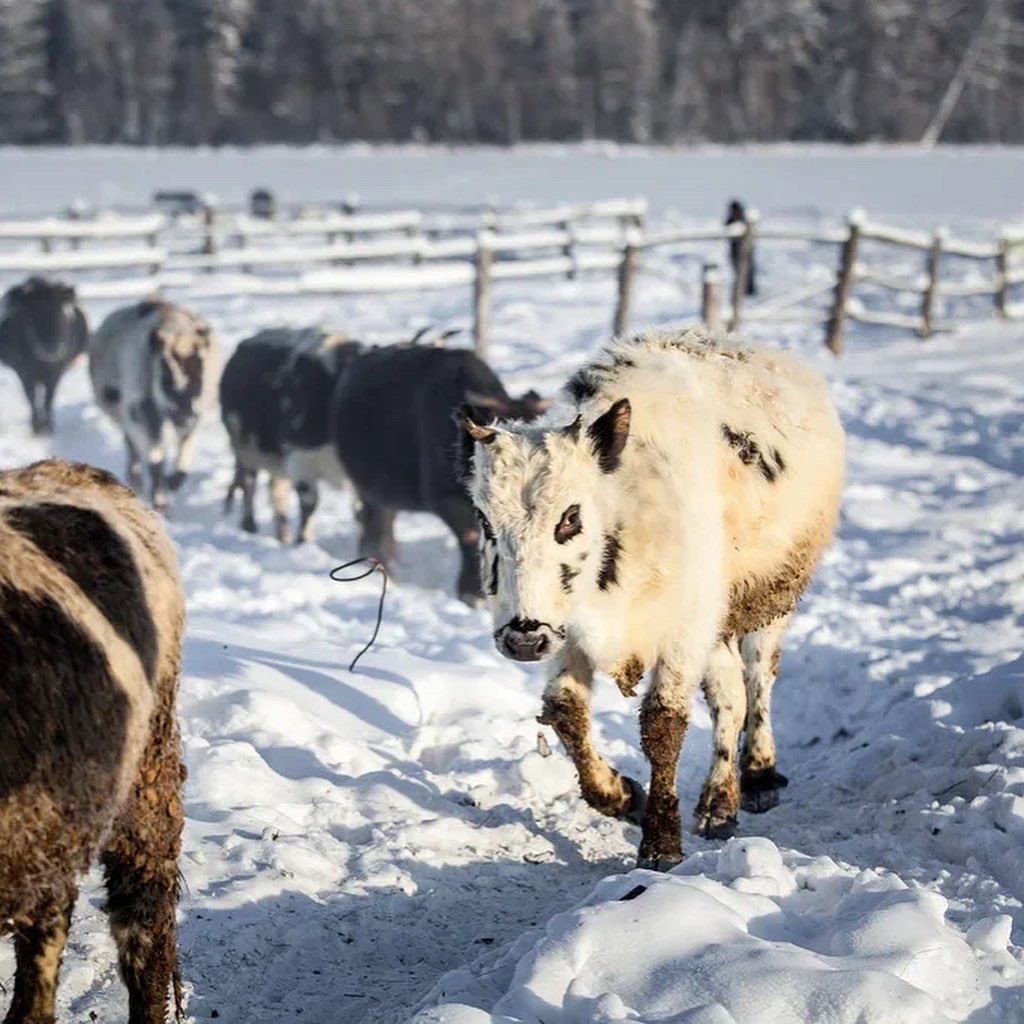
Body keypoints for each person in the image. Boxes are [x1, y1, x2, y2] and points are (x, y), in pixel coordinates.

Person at [726, 199, 757, 297]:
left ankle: (748, 293)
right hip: (736, 251)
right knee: (739, 273)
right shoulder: (733, 219)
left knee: (747, 272)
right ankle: (742, 293)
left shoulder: (742, 220)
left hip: (745, 251)